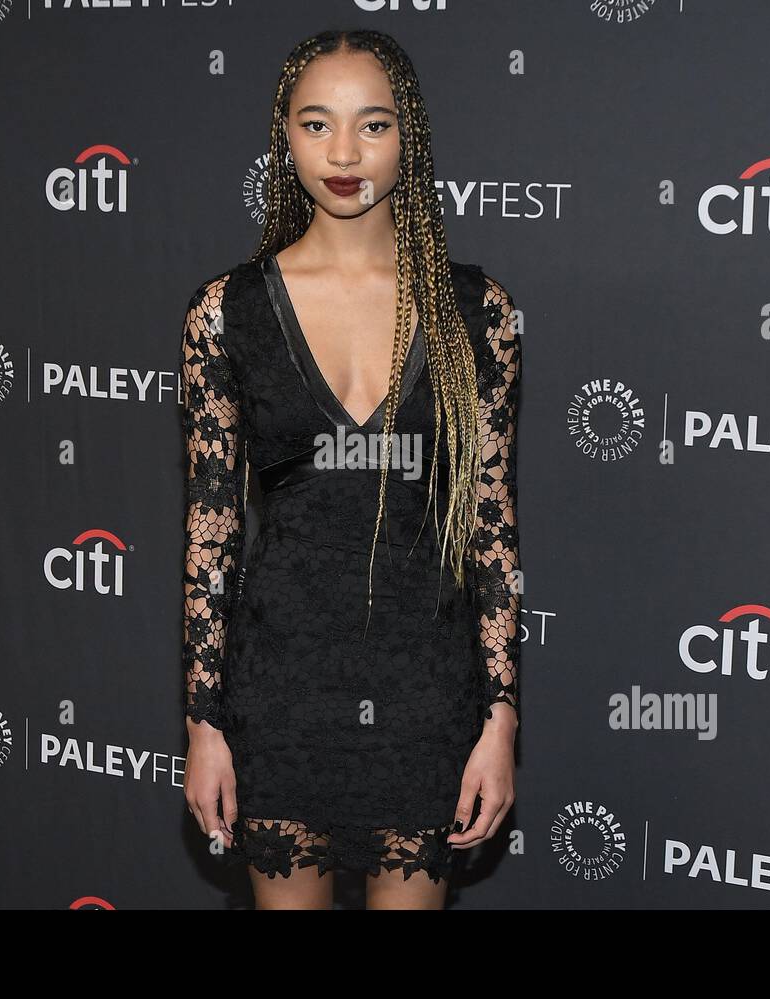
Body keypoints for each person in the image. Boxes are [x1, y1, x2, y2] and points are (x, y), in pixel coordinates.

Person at [180, 28, 521, 910]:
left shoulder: (477, 313)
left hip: (423, 692)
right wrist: (205, 719)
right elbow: (210, 536)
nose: (343, 153)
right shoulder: (227, 313)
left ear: (409, 139)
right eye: (316, 124)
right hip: (282, 690)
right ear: (283, 137)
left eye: (372, 126)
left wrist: (501, 714)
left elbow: (491, 525)